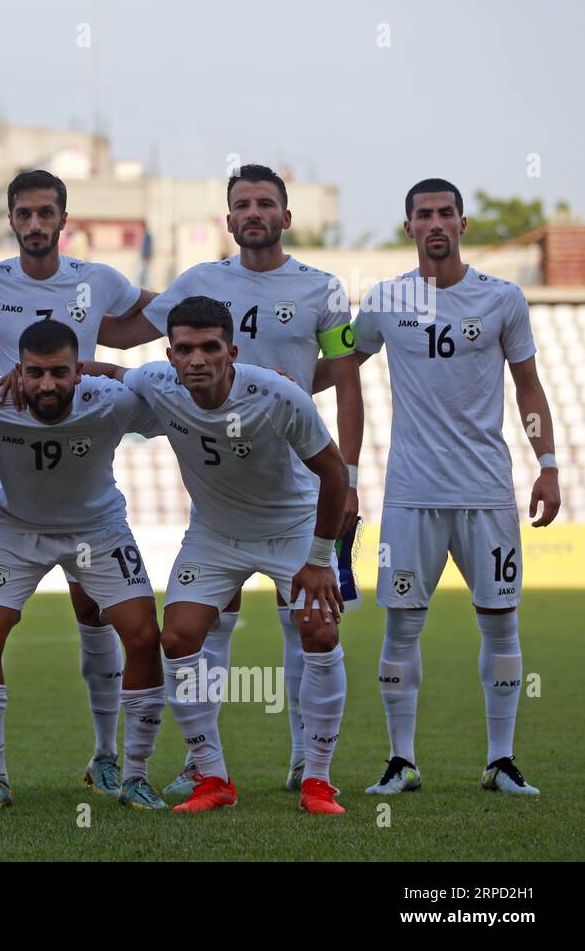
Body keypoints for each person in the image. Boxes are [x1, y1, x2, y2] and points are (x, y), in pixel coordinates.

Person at [104, 163, 363, 796]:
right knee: (199, 631)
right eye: (242, 203)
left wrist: (350, 478)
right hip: (217, 490)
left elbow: (346, 377)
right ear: (227, 219)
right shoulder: (198, 282)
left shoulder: (322, 289)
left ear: (286, 215)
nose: (254, 212)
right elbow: (127, 341)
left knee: (306, 628)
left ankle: (308, 762)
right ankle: (204, 764)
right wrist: (63, 309)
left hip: (296, 479)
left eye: (265, 203)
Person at [325, 178, 558, 796]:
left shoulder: (502, 299)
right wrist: (274, 369)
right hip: (409, 495)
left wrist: (550, 463)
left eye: (445, 213)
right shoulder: (385, 300)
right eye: (423, 214)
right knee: (401, 628)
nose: (435, 223)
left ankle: (501, 761)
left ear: (461, 223)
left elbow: (529, 386)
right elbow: (342, 366)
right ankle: (402, 762)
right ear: (408, 227)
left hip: (486, 494)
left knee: (501, 623)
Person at [0, 168, 159, 796]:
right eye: (24, 214)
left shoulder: (100, 281)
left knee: (98, 615)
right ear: (10, 220)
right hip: (10, 468)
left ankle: (108, 754)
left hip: (84, 455)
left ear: (64, 219)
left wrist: (101, 366)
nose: (35, 224)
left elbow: (151, 319)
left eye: (45, 213)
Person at [89, 295, 350, 814]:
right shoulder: (158, 384)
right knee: (178, 636)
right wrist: (46, 374)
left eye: (210, 348)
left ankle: (317, 780)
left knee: (318, 630)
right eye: (184, 349)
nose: (197, 360)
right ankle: (213, 778)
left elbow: (335, 473)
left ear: (232, 351)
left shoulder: (278, 394)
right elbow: (107, 370)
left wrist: (320, 559)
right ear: (170, 355)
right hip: (215, 533)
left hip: (291, 527)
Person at [0, 319, 167, 811]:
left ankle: (134, 773)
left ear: (79, 372)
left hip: (99, 530)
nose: (47, 385)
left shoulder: (111, 400)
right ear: (18, 371)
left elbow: (167, 399)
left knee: (142, 635)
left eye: (59, 373)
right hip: (17, 530)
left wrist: (112, 368)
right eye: (35, 373)